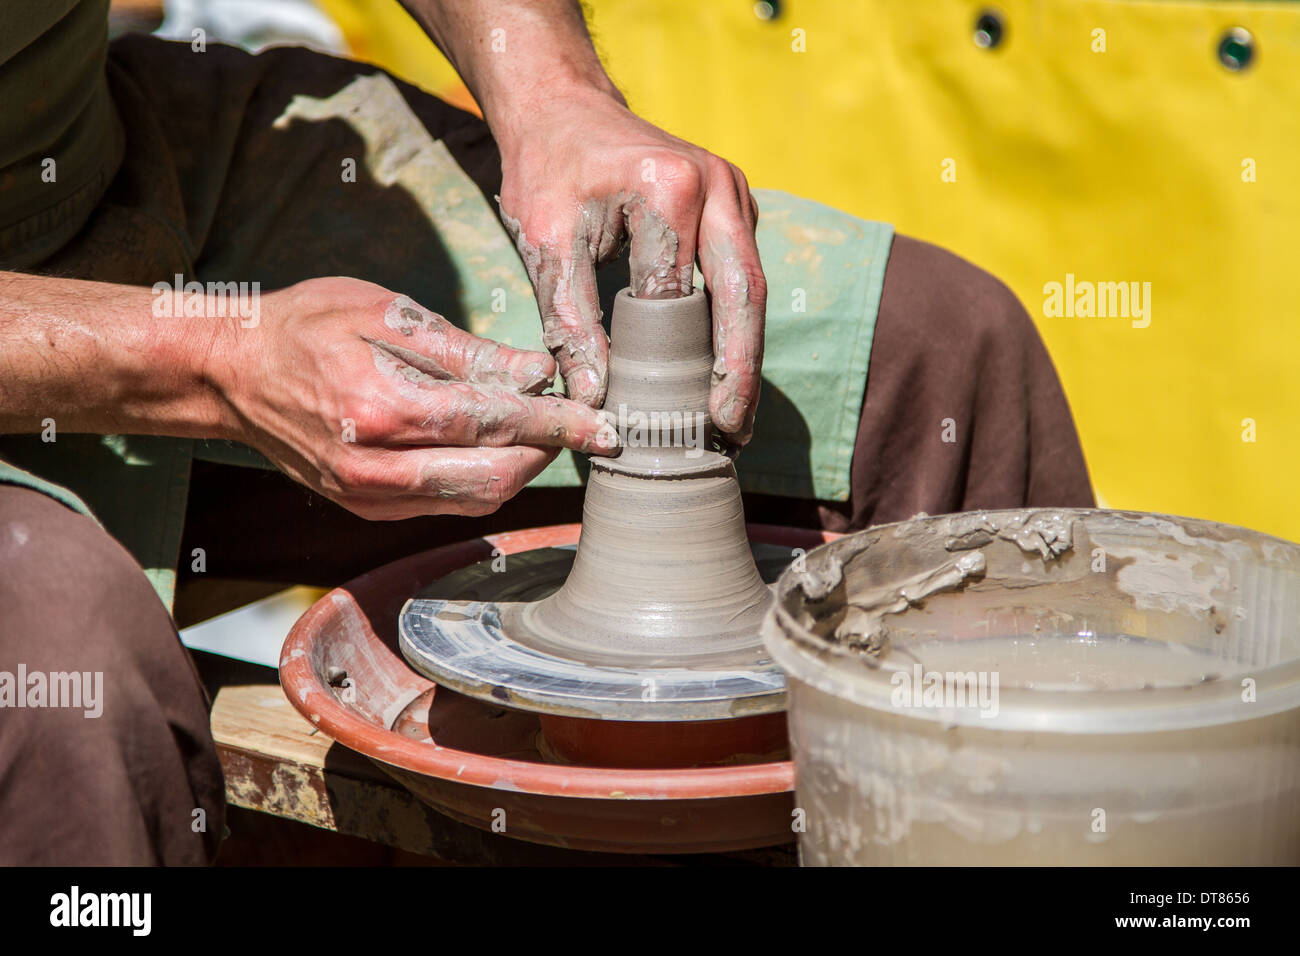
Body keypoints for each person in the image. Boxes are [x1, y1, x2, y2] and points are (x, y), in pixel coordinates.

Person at [0, 0, 1093, 863]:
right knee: (70, 700)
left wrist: (548, 85)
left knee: (939, 347)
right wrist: (204, 358)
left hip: (84, 158)